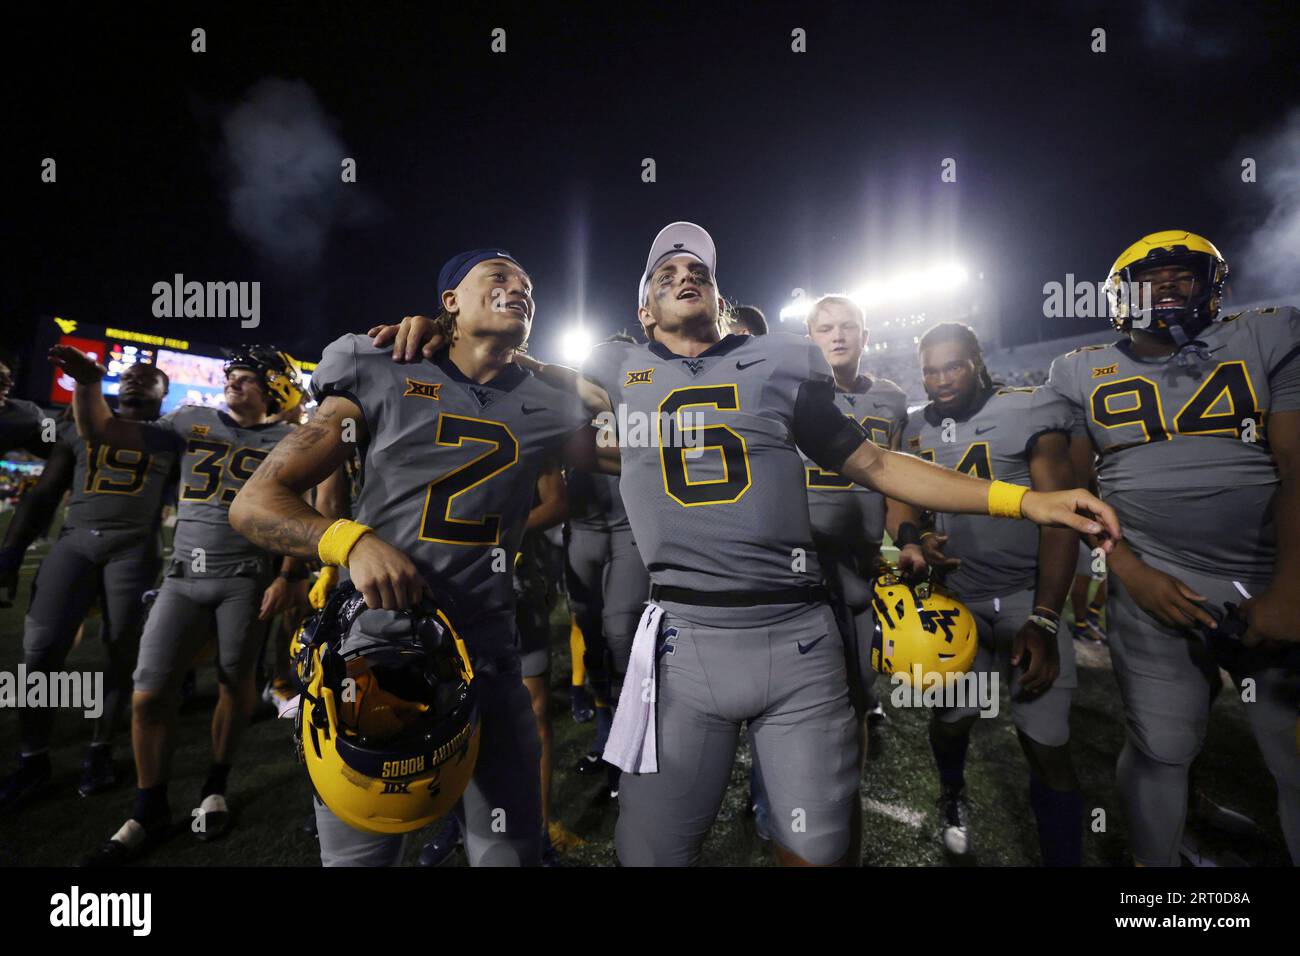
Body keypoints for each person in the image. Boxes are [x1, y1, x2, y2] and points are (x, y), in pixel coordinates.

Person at [421, 221, 1119, 866]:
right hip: (684, 642)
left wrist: (1025, 499)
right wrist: (434, 331)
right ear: (641, 314)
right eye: (665, 272)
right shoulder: (616, 370)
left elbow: (874, 465)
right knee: (648, 852)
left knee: (815, 849)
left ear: (720, 298)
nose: (684, 274)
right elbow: (506, 363)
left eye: (698, 268)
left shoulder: (780, 362)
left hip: (797, 639)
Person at [229, 249, 600, 867]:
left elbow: (640, 426)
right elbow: (255, 503)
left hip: (490, 658)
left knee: (510, 853)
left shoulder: (546, 404)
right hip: (379, 654)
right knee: (362, 856)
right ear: (449, 300)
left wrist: (537, 364)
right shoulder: (382, 366)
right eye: (499, 277)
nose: (519, 289)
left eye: (528, 285)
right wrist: (352, 541)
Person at [1041, 229, 1300, 865]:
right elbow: (1077, 493)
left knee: (1291, 751)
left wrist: (1290, 590)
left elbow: (1296, 467)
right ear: (1119, 296)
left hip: (1269, 577)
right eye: (1151, 280)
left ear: (1214, 285)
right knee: (1161, 746)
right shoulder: (1078, 369)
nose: (1169, 289)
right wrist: (1130, 571)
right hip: (1150, 578)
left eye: (1184, 276)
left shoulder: (1268, 334)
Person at [48, 344, 305, 865]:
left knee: (236, 684)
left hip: (246, 578)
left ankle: (215, 785)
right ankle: (149, 806)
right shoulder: (191, 419)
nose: (234, 382)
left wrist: (289, 575)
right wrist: (89, 385)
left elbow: (307, 512)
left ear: (275, 386)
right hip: (184, 575)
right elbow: (104, 432)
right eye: (232, 374)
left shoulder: (294, 441)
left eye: (249, 377)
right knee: (148, 692)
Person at [904, 321, 1083, 865]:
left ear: (977, 361)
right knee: (954, 720)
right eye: (930, 370)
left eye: (953, 365)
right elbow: (904, 500)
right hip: (957, 602)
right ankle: (953, 794)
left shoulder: (1029, 410)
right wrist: (914, 538)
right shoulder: (914, 427)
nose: (940, 380)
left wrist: (1047, 619)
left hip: (1028, 597)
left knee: (1046, 740)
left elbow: (1061, 518)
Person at [0, 363, 176, 808]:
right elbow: (43, 493)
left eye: (147, 375)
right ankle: (32, 757)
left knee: (122, 651)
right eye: (128, 374)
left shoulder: (174, 436)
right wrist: (10, 553)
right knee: (39, 650)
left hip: (135, 550)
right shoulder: (78, 427)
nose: (135, 379)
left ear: (164, 390)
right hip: (76, 541)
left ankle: (100, 749)